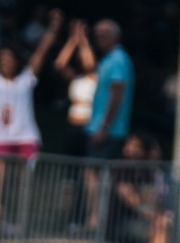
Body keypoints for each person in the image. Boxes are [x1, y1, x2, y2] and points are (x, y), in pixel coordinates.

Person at [0, 5, 60, 160]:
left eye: (8, 59)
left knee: (24, 182)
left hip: (26, 135)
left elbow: (42, 49)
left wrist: (54, 25)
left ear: (16, 61)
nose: (4, 63)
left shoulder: (26, 79)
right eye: (1, 60)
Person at [87, 18, 134, 160]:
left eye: (105, 33)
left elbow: (117, 94)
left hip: (109, 131)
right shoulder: (107, 59)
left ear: (116, 36)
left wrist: (104, 128)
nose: (100, 37)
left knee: (94, 173)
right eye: (97, 33)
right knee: (90, 172)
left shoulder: (118, 60)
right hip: (99, 128)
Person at [54, 18, 98, 155]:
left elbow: (90, 64)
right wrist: (73, 40)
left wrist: (83, 39)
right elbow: (59, 64)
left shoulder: (95, 77)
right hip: (73, 125)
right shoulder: (75, 77)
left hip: (89, 125)